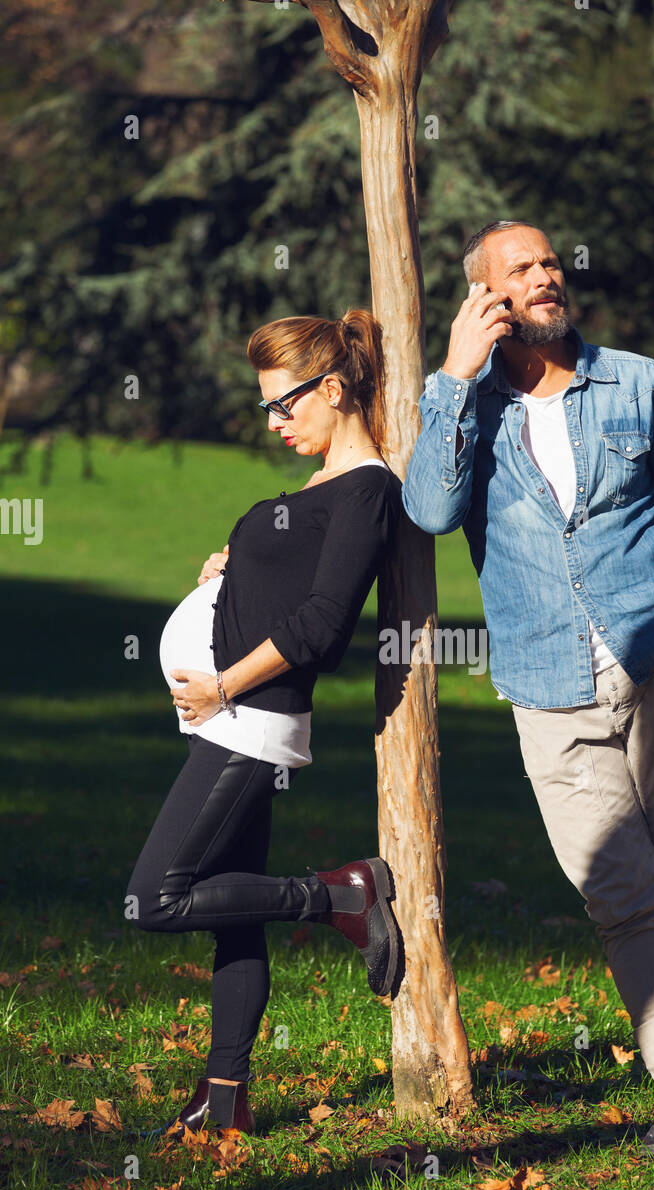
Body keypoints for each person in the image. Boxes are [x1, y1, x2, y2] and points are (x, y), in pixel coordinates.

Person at [402, 220, 654, 1174]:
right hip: (545, 680)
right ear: (486, 299)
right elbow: (429, 511)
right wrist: (451, 376)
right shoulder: (469, 414)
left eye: (551, 261)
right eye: (520, 269)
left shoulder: (639, 382)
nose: (546, 277)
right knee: (616, 887)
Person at [126, 309, 402, 1139]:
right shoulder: (321, 487)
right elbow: (283, 585)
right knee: (230, 914)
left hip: (249, 720)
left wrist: (221, 688)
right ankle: (225, 1091)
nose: (276, 421)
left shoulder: (368, 489)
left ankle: (339, 894)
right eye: (267, 409)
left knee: (153, 899)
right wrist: (229, 565)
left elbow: (323, 624)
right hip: (228, 719)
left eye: (286, 403)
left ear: (336, 386)